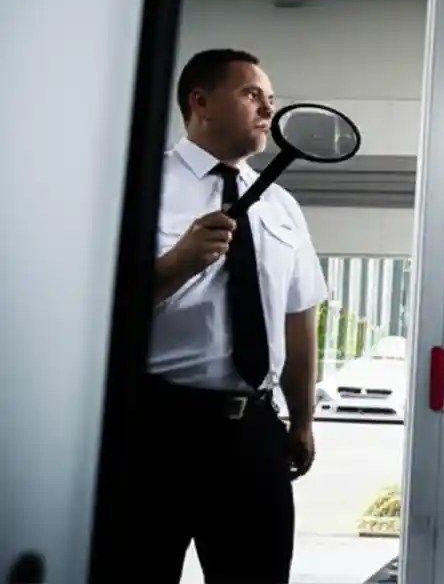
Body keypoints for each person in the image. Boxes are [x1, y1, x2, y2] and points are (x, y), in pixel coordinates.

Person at [132, 48, 327, 583]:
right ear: (201, 102)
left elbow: (298, 316)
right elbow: (97, 313)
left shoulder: (281, 205)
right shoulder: (139, 186)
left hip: (255, 432)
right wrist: (178, 262)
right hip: (153, 426)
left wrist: (302, 419)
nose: (267, 109)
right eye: (251, 94)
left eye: (271, 98)